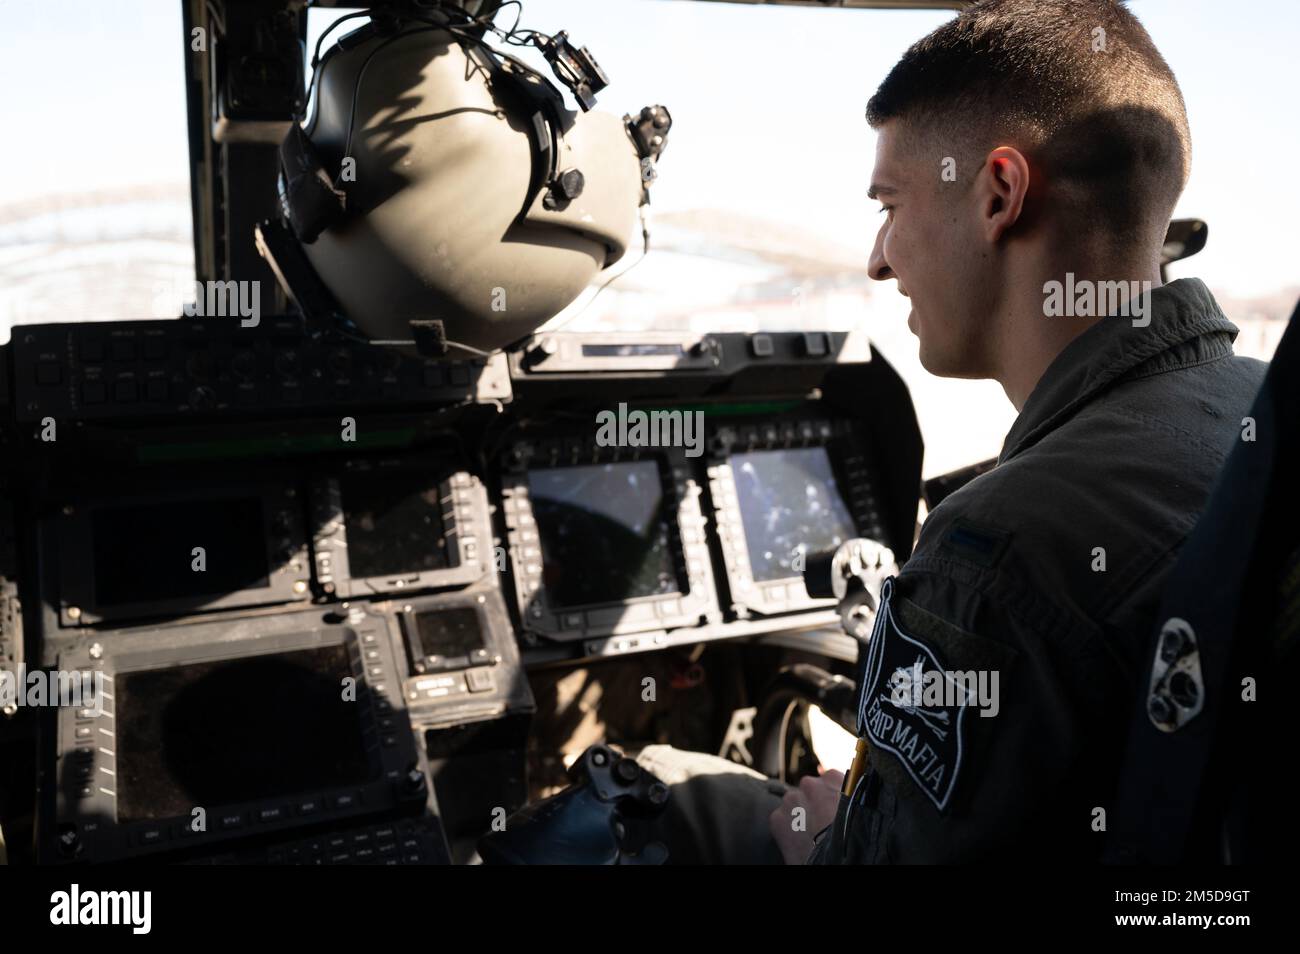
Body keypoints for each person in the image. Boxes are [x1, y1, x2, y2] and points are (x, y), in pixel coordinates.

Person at [635, 0, 1267, 864]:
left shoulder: (997, 555)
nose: (878, 258)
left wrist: (828, 831)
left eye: (889, 204)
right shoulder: (1263, 407)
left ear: (1000, 195)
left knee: (646, 787)